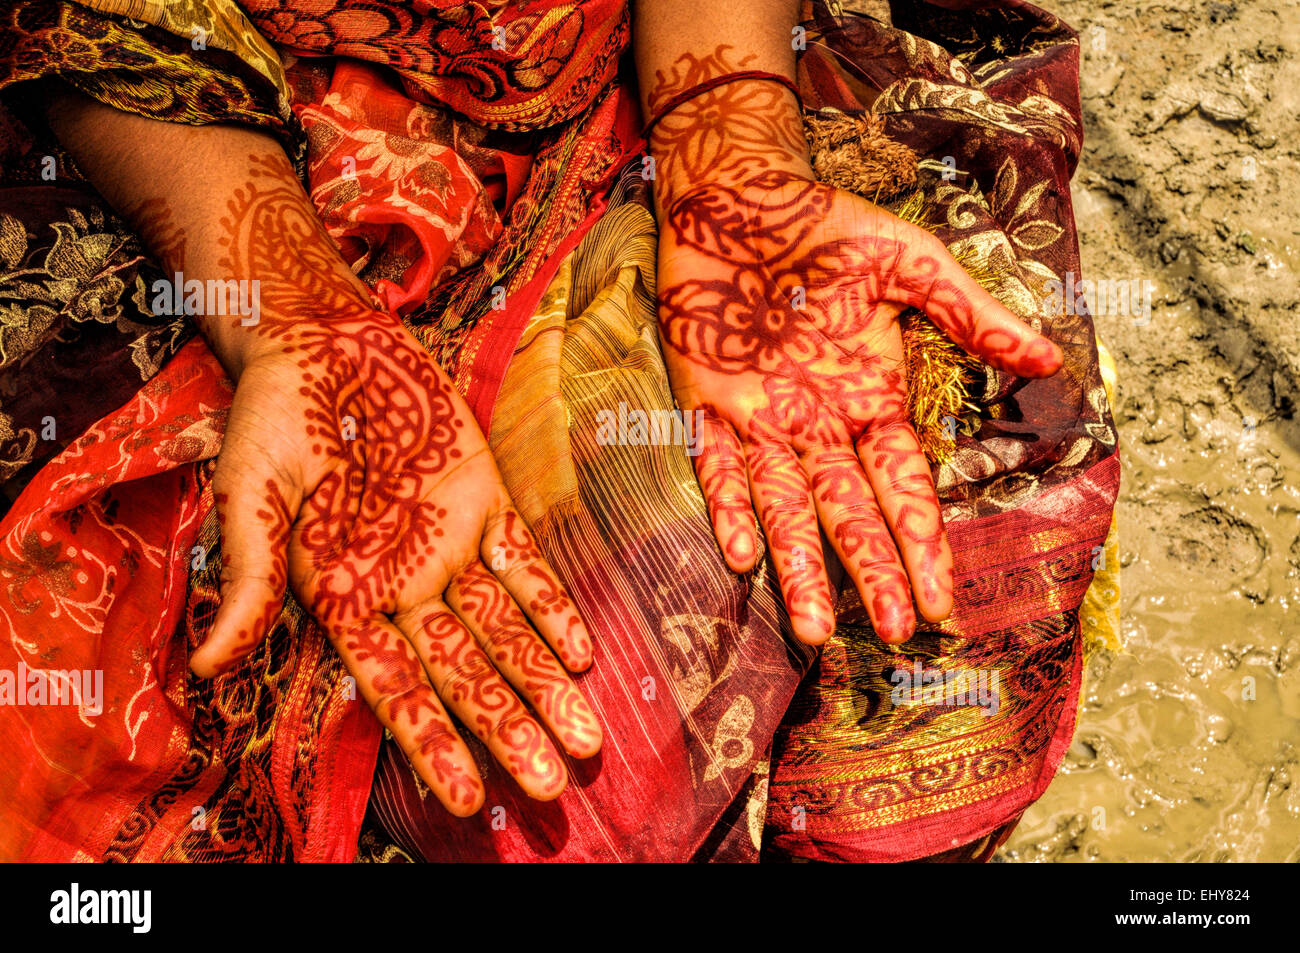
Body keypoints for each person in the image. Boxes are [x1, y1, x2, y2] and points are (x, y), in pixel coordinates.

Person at [0, 0, 1119, 861]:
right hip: (199, 146)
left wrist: (728, 146)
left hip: (670, 62)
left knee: (946, 525)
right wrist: (292, 308)